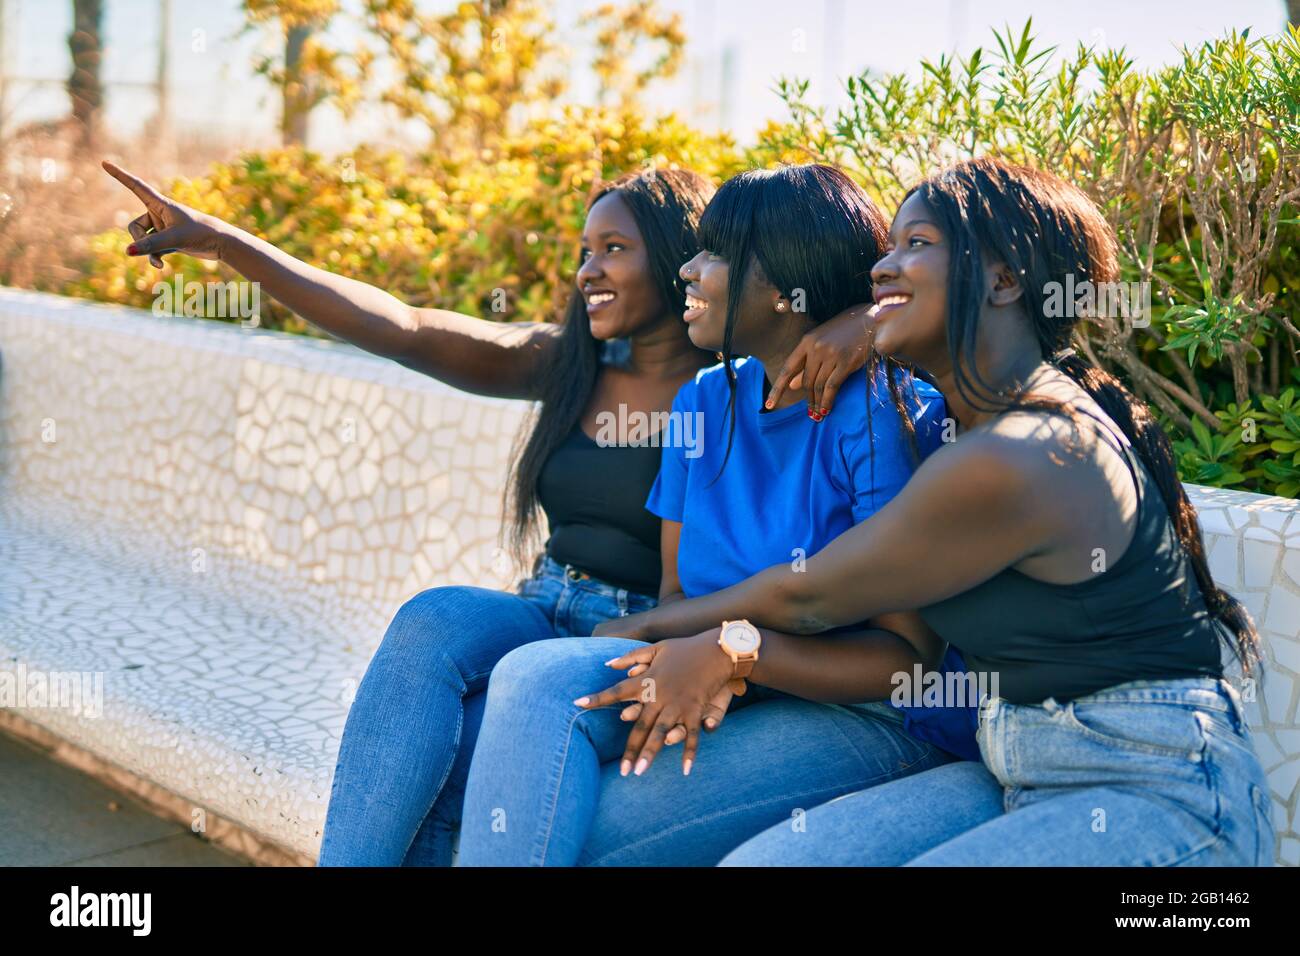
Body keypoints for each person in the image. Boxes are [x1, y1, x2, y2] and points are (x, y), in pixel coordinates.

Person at [103, 160, 873, 865]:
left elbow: (847, 298)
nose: (587, 271)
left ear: (679, 255)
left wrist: (861, 323)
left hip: (643, 629)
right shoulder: (569, 365)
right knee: (434, 619)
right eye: (582, 251)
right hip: (548, 608)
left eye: (613, 249)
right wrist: (230, 246)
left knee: (462, 759)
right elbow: (400, 326)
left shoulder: (733, 382)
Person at [515, 157, 1270, 867]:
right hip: (1017, 765)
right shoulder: (955, 416)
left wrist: (687, 637)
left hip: (1159, 793)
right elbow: (848, 324)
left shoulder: (1020, 452)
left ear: (1003, 280)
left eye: (916, 244)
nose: (882, 264)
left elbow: (808, 595)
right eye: (886, 246)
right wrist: (855, 323)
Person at [454, 164, 975, 868]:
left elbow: (906, 659)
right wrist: (699, 665)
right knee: (501, 724)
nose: (689, 271)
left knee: (583, 829)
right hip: (720, 669)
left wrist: (736, 663)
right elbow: (679, 596)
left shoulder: (878, 415)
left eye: (715, 253)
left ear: (785, 285)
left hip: (856, 714)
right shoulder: (703, 401)